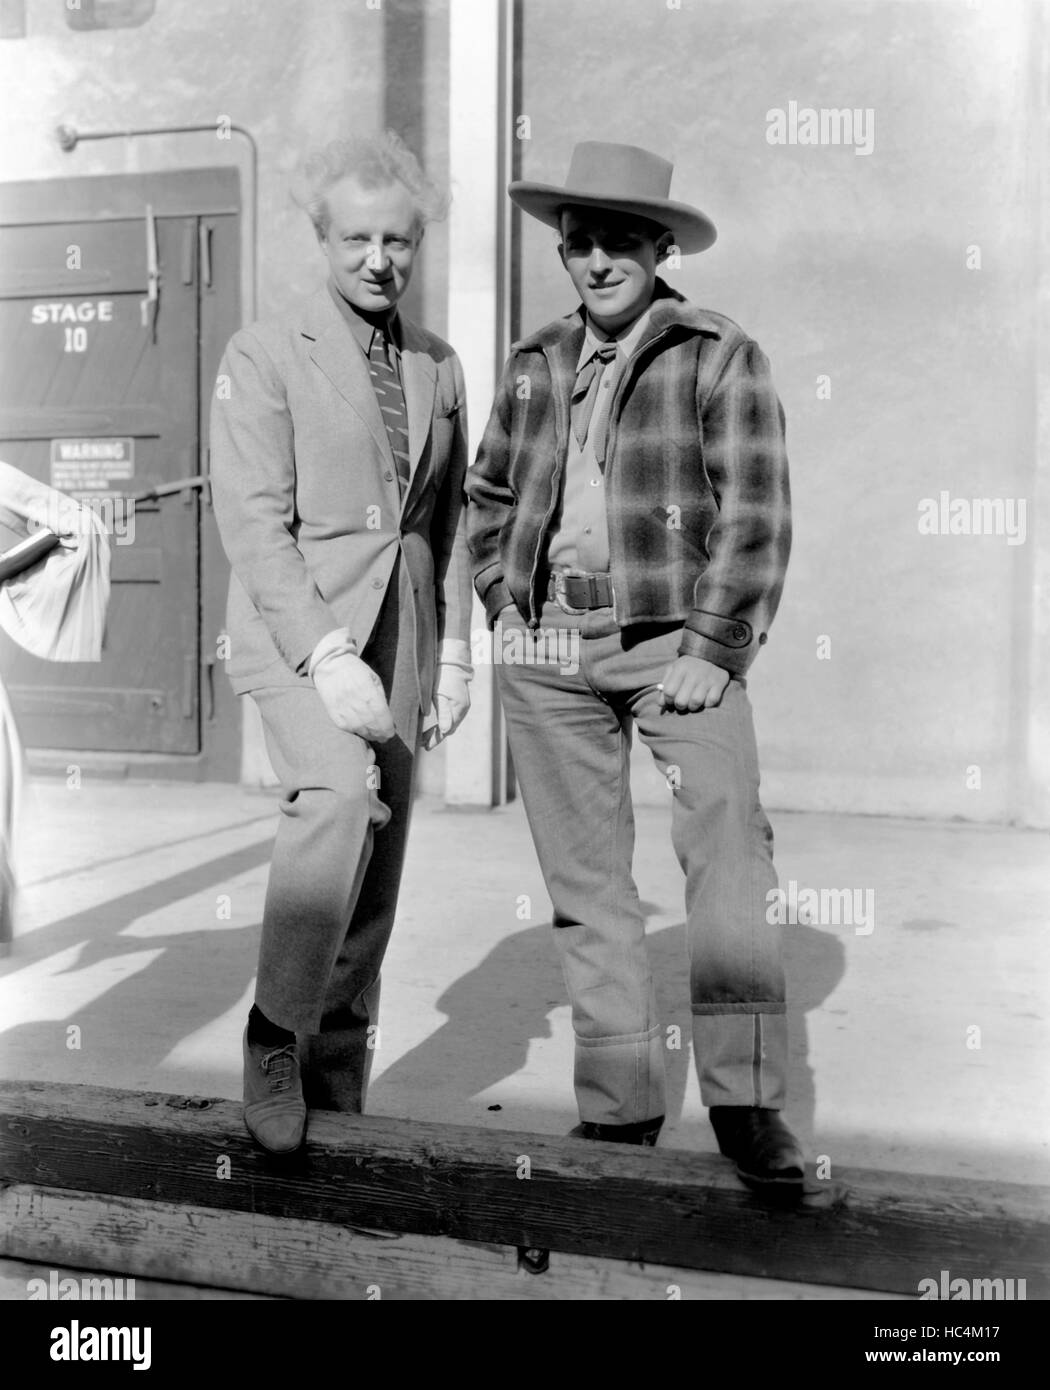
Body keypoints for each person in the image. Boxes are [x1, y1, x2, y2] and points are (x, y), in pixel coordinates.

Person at [466, 141, 803, 1193]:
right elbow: (486, 497)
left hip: (672, 643)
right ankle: (620, 1111)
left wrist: (714, 649)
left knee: (729, 860)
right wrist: (501, 606)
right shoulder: (534, 362)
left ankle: (749, 1108)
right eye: (581, 243)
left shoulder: (715, 351)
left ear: (660, 247)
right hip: (550, 647)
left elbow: (756, 515)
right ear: (562, 252)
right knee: (587, 885)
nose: (599, 260)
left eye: (621, 240)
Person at [210, 131, 473, 1154]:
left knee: (381, 865)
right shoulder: (264, 354)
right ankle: (275, 1031)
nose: (379, 260)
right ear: (322, 237)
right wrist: (325, 653)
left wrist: (447, 657)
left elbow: (441, 526)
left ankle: (338, 1080)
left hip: (401, 637)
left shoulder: (440, 367)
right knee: (338, 797)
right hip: (295, 637)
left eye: (398, 241)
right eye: (357, 238)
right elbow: (253, 526)